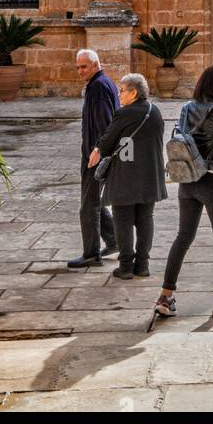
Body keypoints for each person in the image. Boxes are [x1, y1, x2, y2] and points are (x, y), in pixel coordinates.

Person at [154, 63, 213, 319]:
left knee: (183, 238)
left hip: (187, 179)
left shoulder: (187, 107)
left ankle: (166, 295)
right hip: (211, 180)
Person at [87, 72, 167, 280]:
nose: (119, 94)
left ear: (133, 92)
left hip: (126, 177)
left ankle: (125, 266)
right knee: (145, 219)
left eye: (122, 90)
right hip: (150, 176)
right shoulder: (155, 111)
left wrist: (97, 149)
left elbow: (108, 140)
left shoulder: (124, 114)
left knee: (122, 221)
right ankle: (142, 265)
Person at [67, 48, 120, 268]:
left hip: (95, 156)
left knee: (88, 205)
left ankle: (90, 253)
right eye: (78, 67)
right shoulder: (99, 83)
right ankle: (114, 240)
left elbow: (106, 122)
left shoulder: (98, 86)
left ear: (96, 64)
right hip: (93, 152)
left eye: (84, 67)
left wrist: (98, 149)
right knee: (94, 200)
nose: (80, 71)